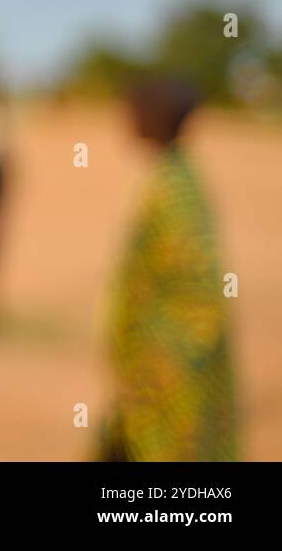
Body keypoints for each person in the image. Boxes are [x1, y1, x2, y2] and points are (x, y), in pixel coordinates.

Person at [97, 78, 238, 461]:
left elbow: (200, 292)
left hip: (172, 376)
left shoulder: (175, 190)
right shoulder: (170, 177)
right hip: (150, 374)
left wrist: (164, 363)